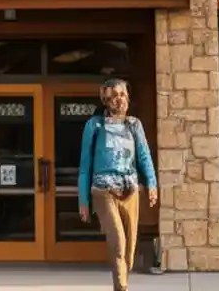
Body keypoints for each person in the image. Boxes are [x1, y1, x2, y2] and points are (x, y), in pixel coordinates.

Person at [77, 78, 157, 291]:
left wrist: (152, 183)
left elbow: (144, 156)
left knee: (129, 250)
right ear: (105, 101)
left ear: (128, 98)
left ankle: (122, 278)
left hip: (130, 190)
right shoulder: (94, 125)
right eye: (112, 97)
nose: (118, 100)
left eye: (121, 95)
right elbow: (85, 166)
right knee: (119, 242)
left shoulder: (134, 125)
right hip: (103, 190)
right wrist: (83, 200)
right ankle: (121, 287)